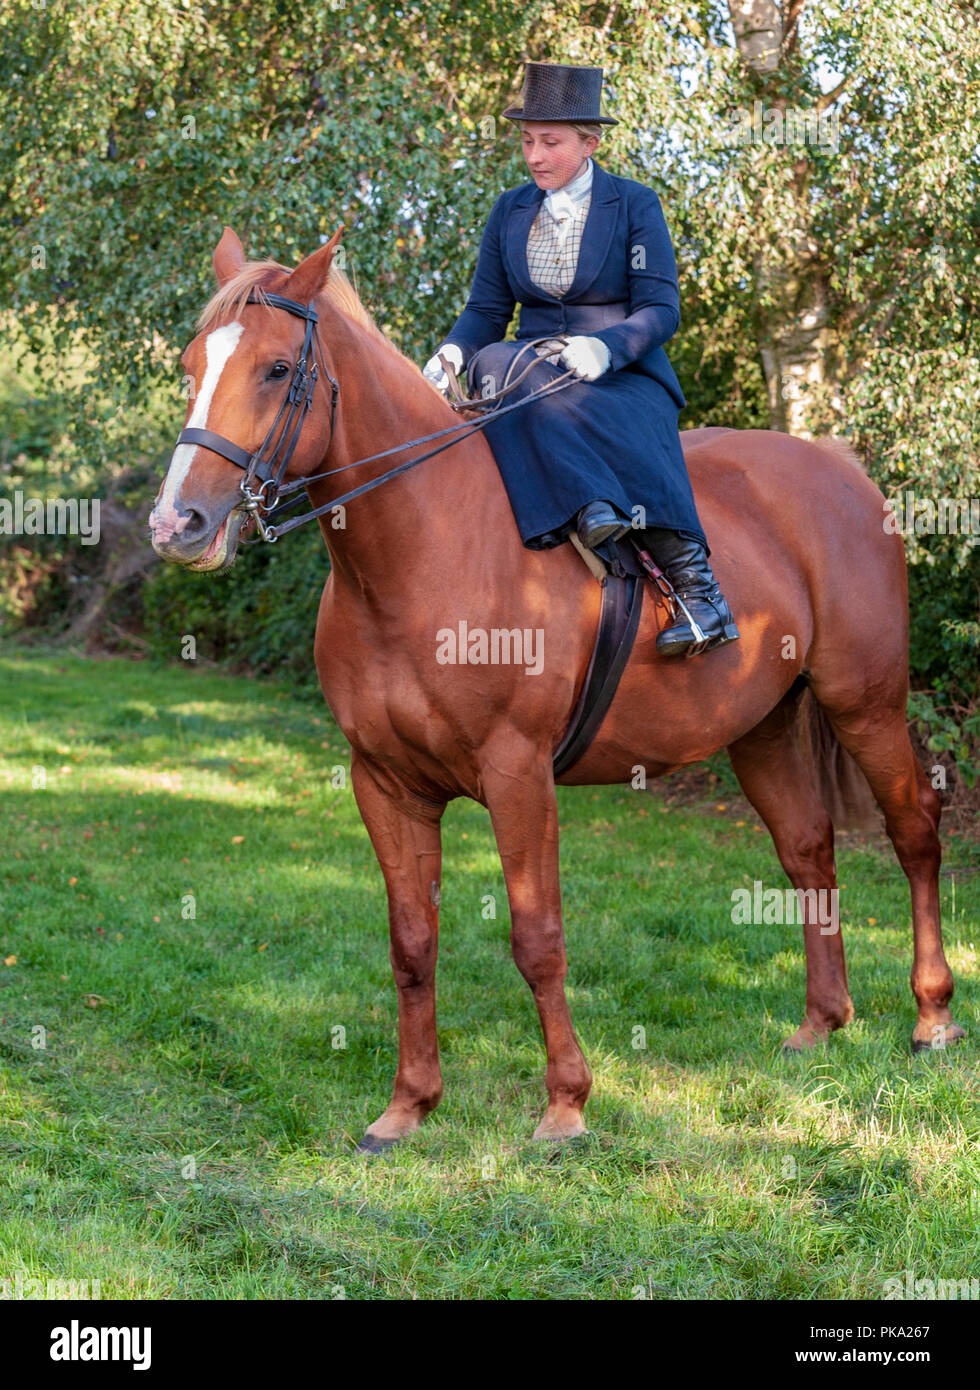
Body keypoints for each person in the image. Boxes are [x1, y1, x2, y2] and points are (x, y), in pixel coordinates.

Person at [423, 61, 738, 658]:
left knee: (514, 371)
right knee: (491, 362)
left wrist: (607, 346)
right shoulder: (509, 209)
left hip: (620, 374)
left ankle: (700, 595)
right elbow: (487, 310)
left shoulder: (635, 205)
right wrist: (448, 356)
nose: (534, 156)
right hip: (531, 371)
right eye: (526, 141)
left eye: (550, 142)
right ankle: (588, 506)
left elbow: (662, 309)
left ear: (590, 143)